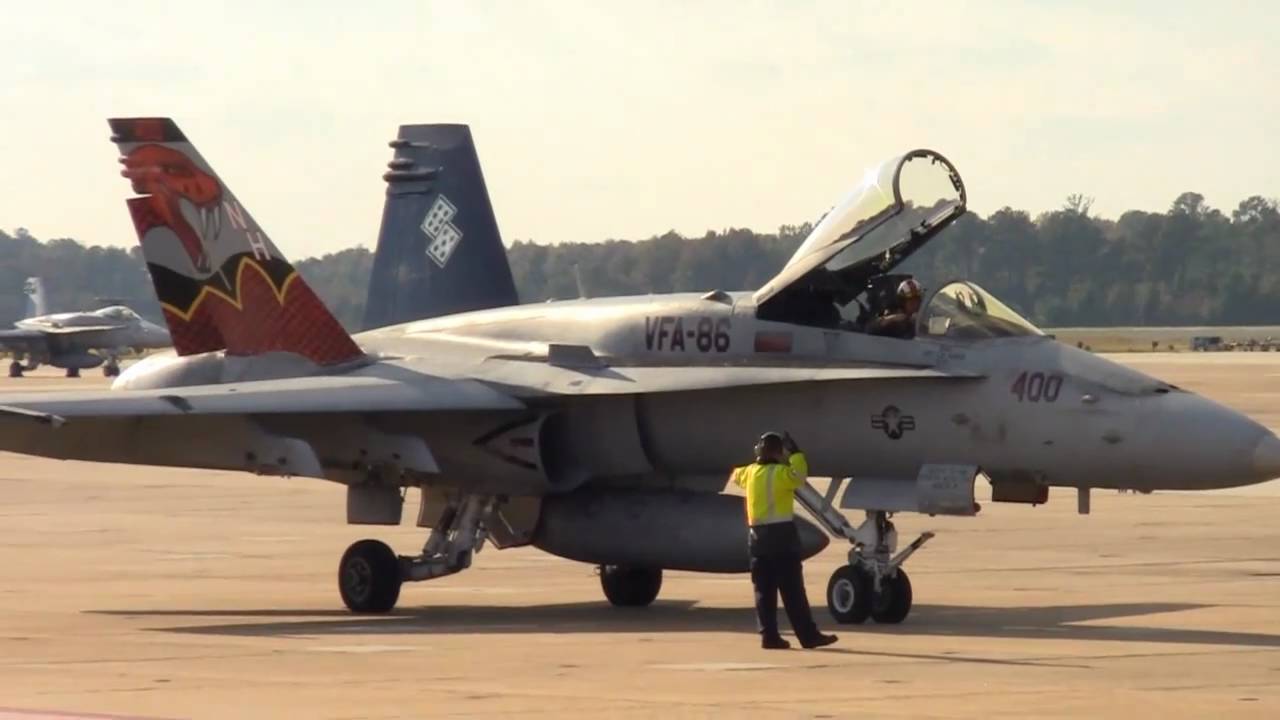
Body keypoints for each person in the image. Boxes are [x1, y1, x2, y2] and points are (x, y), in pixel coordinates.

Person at [729, 431, 838, 650]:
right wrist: (796, 454)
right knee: (793, 591)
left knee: (763, 591)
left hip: (757, 541)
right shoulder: (780, 473)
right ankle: (808, 636)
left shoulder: (749, 473)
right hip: (781, 539)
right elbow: (799, 477)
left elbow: (735, 475)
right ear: (778, 453)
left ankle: (769, 637)